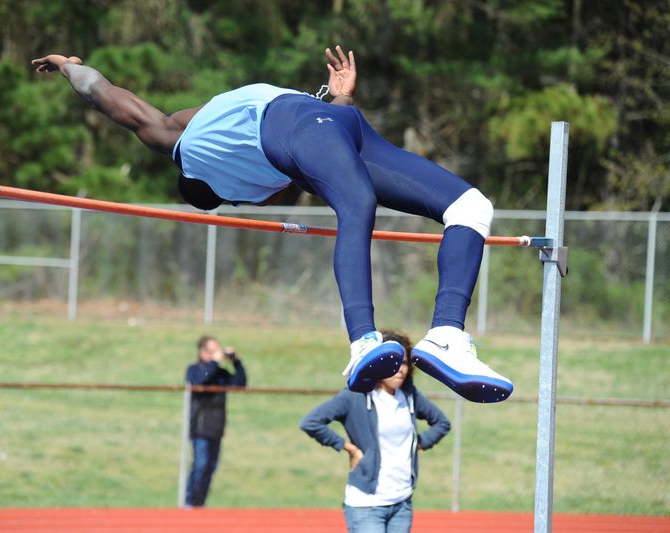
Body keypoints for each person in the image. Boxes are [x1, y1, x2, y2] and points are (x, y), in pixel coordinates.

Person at [31, 45, 513, 402]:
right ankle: (439, 332)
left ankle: (393, 339)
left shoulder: (191, 152)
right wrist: (71, 66)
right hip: (338, 123)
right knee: (471, 206)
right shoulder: (185, 132)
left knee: (357, 203)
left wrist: (70, 70)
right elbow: (109, 95)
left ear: (207, 190)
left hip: (315, 125)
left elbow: (111, 102)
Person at [300, 330, 450, 533]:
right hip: (366, 505)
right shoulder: (354, 396)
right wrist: (349, 448)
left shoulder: (409, 395)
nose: (400, 370)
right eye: (394, 363)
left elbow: (442, 423)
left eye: (404, 363)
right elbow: (311, 422)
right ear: (378, 364)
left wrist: (417, 443)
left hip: (402, 503)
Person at [184, 335, 247, 507]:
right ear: (203, 352)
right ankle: (189, 503)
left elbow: (240, 384)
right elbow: (200, 380)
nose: (217, 354)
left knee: (211, 468)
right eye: (213, 350)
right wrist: (214, 362)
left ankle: (199, 504)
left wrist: (236, 362)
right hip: (200, 426)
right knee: (200, 466)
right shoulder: (195, 369)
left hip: (216, 427)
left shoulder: (219, 373)